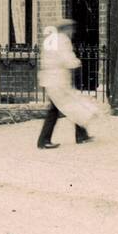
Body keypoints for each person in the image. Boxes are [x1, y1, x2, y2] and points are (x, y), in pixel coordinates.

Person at [36, 17, 91, 149]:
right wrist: (77, 63)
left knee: (65, 107)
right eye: (71, 29)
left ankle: (81, 135)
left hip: (50, 79)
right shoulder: (62, 40)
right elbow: (66, 58)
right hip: (58, 80)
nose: (72, 32)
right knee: (65, 108)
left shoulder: (50, 40)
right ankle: (44, 141)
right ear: (65, 29)